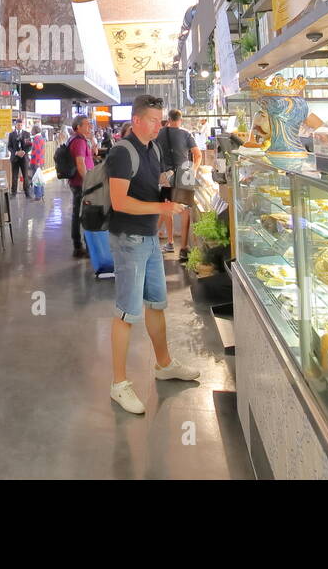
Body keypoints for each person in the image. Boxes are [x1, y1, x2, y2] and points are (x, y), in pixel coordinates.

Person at [107, 94, 199, 415]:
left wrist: (172, 184)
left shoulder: (153, 147)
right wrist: (163, 207)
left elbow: (151, 182)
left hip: (149, 238)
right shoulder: (121, 152)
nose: (158, 126)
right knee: (126, 313)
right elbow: (119, 201)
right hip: (128, 240)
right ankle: (119, 384)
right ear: (136, 121)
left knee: (156, 304)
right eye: (153, 120)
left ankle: (163, 364)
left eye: (160, 120)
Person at [156, 109, 202, 253]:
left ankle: (169, 242)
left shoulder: (159, 133)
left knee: (166, 207)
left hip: (164, 174)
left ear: (168, 119)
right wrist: (193, 169)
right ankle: (183, 246)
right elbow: (198, 154)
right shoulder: (186, 134)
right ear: (180, 119)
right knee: (184, 211)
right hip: (184, 174)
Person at [69, 115, 108, 273]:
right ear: (78, 126)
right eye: (87, 124)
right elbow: (80, 163)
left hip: (81, 184)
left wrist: (92, 140)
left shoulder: (82, 140)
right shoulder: (78, 141)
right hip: (81, 185)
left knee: (81, 214)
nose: (90, 126)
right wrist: (88, 184)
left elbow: (94, 153)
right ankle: (79, 246)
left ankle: (83, 245)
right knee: (81, 215)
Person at [6, 118, 33, 197]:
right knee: (14, 176)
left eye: (21, 125)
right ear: (15, 125)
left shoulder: (26, 134)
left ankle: (27, 193)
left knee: (25, 176)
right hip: (15, 158)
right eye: (18, 125)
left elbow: (29, 146)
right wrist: (16, 152)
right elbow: (9, 146)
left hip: (24, 158)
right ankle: (13, 192)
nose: (20, 126)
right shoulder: (11, 134)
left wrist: (24, 152)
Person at [28, 123, 46, 201]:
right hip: (40, 161)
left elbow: (38, 151)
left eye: (32, 130)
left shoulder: (36, 139)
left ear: (34, 131)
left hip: (36, 161)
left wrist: (37, 162)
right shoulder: (40, 138)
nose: (31, 131)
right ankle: (41, 193)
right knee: (39, 177)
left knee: (36, 178)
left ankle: (37, 195)